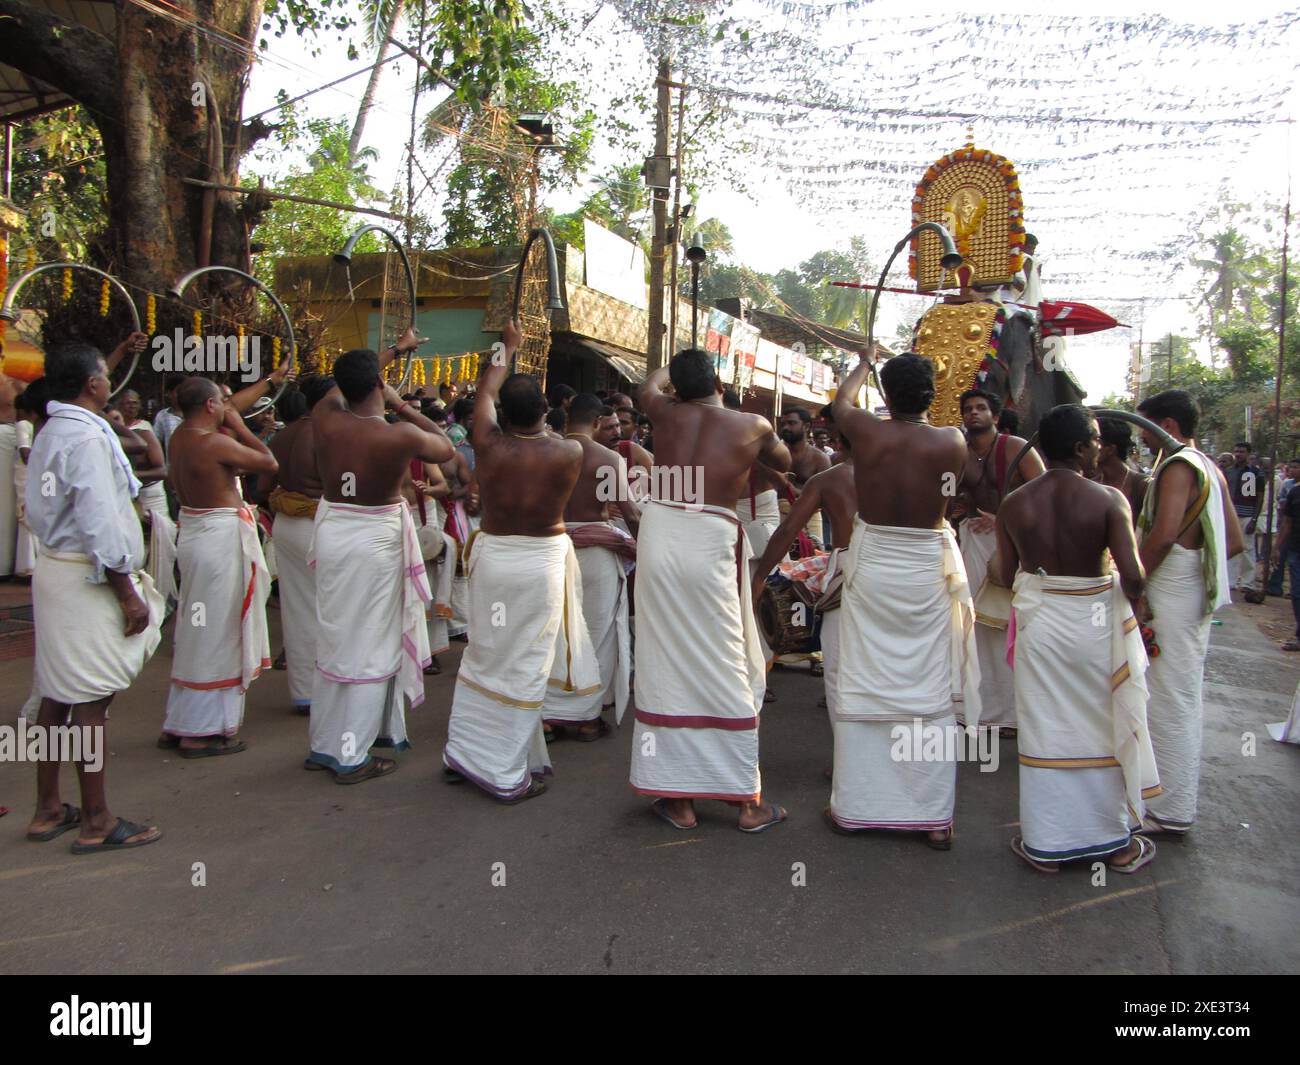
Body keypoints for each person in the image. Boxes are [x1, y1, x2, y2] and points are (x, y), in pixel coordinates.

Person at [629, 348, 792, 833]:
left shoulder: (663, 409)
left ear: (677, 388)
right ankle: (746, 803)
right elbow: (784, 459)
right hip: (709, 541)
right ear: (718, 380)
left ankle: (679, 800)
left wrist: (670, 375)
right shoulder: (754, 425)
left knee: (664, 657)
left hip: (659, 537)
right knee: (725, 658)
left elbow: (647, 387)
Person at [995, 404, 1159, 874]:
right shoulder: (1109, 499)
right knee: (1102, 724)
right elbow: (1133, 575)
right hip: (1094, 625)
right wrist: (1138, 609)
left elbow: (1006, 575)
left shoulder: (1015, 503)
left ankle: (1047, 843)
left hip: (1041, 624)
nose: (1099, 450)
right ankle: (1114, 842)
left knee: (1046, 727)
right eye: (1095, 442)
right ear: (1081, 447)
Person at [829, 349, 981, 848]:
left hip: (874, 566)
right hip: (922, 567)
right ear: (932, 397)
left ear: (887, 396)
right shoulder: (952, 441)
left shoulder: (865, 433)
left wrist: (864, 363)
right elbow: (959, 490)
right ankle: (931, 817)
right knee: (927, 684)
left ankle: (858, 807)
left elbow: (842, 401)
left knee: (867, 679)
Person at [443, 323, 598, 801]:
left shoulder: (486, 441)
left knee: (486, 652)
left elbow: (486, 387)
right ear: (548, 412)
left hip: (494, 556)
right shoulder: (569, 450)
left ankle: (468, 753)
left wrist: (506, 346)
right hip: (539, 563)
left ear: (501, 415)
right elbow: (532, 418)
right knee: (526, 661)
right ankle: (503, 772)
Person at [24, 340, 163, 853]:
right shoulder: (82, 437)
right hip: (87, 577)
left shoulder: (54, 428)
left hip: (59, 572)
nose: (111, 383)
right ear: (94, 386)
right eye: (106, 375)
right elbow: (99, 520)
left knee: (58, 694)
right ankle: (97, 820)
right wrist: (127, 592)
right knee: (89, 699)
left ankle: (47, 809)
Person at [308, 328, 452, 781]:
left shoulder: (325, 416)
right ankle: (352, 755)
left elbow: (341, 382)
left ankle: (328, 743)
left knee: (338, 636)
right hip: (374, 541)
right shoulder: (399, 435)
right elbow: (446, 449)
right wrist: (403, 404)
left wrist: (390, 354)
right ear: (378, 386)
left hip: (334, 533)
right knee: (368, 643)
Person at [1134, 389, 1242, 836]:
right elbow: (1233, 541)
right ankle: (1169, 801)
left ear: (1168, 426)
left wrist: (1136, 584)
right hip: (1191, 594)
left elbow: (1159, 538)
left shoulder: (1178, 466)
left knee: (1167, 699)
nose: (1142, 440)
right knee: (1177, 694)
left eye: (1146, 429)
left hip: (1171, 597)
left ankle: (1168, 808)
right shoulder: (1209, 467)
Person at [159, 378, 277, 756]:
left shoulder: (180, 436)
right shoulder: (215, 442)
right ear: (211, 406)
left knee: (198, 630)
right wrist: (242, 427)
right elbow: (269, 463)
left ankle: (182, 721)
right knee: (218, 632)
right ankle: (199, 731)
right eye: (223, 401)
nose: (229, 405)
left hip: (196, 533)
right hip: (217, 539)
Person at [541, 392, 640, 740]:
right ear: (597, 423)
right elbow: (629, 513)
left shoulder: (545, 451)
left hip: (552, 548)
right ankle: (585, 718)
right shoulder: (609, 459)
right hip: (596, 552)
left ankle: (548, 716)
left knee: (554, 633)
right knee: (596, 633)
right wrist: (645, 548)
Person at [956, 388, 1044, 732]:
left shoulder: (1016, 447)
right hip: (972, 542)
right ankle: (980, 708)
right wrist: (957, 504)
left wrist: (1003, 520)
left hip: (1014, 545)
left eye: (980, 408)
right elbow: (945, 490)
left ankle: (1010, 713)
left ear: (994, 415)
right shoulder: (958, 450)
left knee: (1008, 626)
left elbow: (1043, 493)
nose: (973, 414)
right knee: (973, 626)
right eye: (968, 409)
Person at [264, 374, 334, 712]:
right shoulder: (324, 434)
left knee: (297, 609)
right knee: (330, 609)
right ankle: (328, 689)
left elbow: (259, 487)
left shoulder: (281, 436)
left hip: (286, 525)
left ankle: (305, 691)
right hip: (316, 527)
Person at [118, 388, 176, 603]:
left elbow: (162, 470)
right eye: (127, 403)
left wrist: (129, 476)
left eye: (135, 403)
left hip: (151, 497)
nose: (132, 406)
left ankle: (160, 597)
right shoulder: (111, 432)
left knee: (159, 549)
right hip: (127, 501)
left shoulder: (143, 430)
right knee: (135, 549)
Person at [778, 406, 832, 545]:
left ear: (806, 426)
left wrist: (795, 491)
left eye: (791, 423)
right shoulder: (775, 454)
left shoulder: (819, 458)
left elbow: (827, 497)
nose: (785, 428)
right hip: (778, 513)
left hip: (810, 518)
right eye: (783, 424)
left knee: (812, 559)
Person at [1225, 442, 1263, 591]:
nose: (1238, 454)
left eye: (1241, 451)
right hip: (1231, 513)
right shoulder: (1229, 471)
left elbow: (1259, 496)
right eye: (1236, 452)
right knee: (1232, 546)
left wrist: (1254, 518)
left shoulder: (1255, 472)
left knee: (1247, 548)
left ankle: (1247, 582)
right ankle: (1231, 580)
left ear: (1248, 453)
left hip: (1247, 514)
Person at [1271, 464, 1300, 650]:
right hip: (1296, 548)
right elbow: (1287, 522)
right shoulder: (1294, 492)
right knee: (1297, 593)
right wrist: (1277, 547)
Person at [1267, 459, 1299, 598]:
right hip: (1292, 534)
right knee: (1288, 562)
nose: (1292, 470)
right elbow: (1286, 515)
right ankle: (1276, 586)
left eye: (1296, 467)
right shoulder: (1291, 488)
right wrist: (1277, 546)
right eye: (1291, 467)